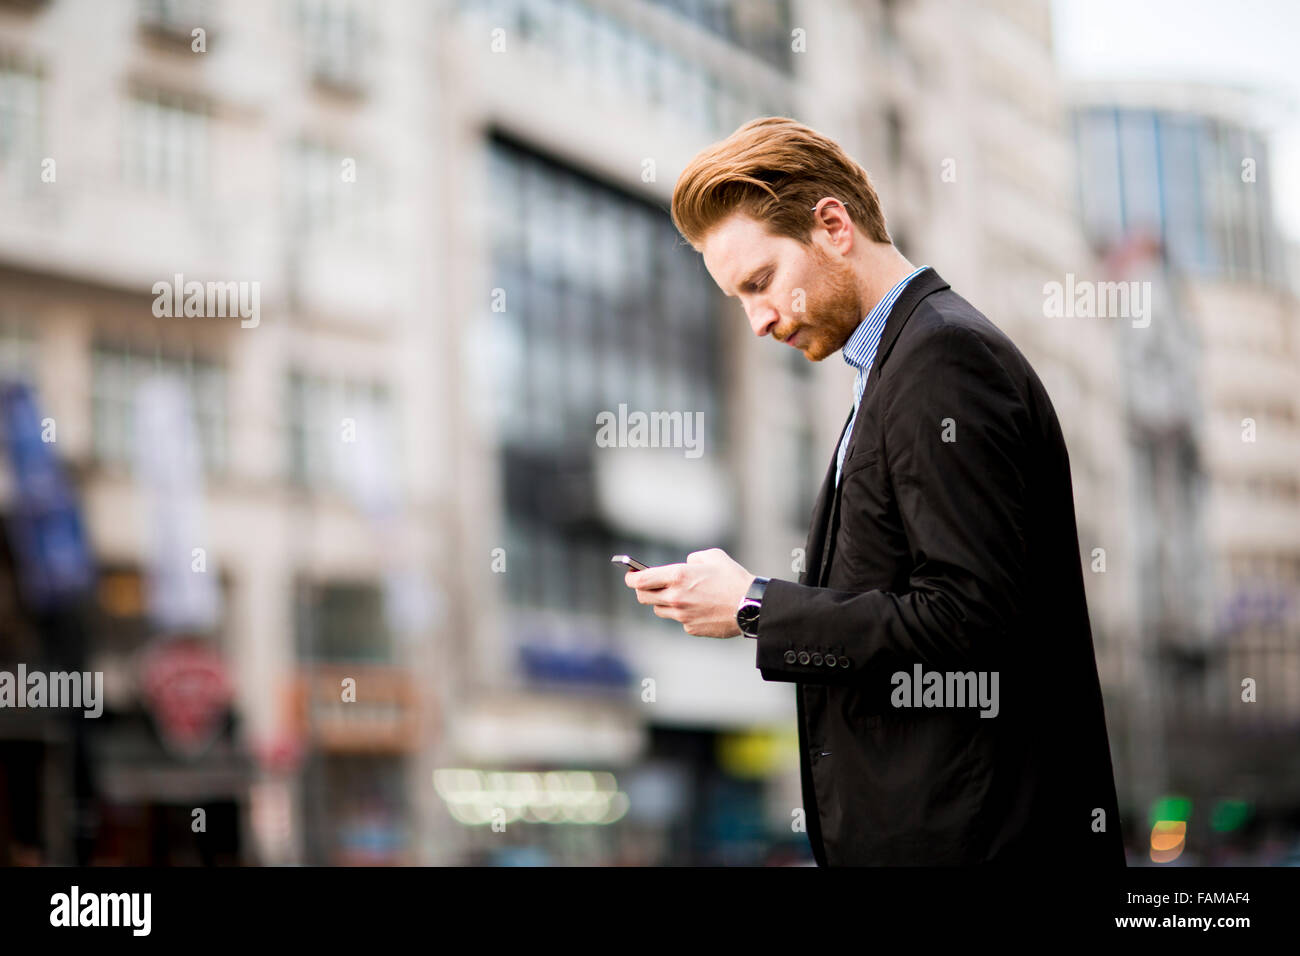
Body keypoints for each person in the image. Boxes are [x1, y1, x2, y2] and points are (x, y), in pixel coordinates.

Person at [624, 116, 1125, 866]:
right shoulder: (895, 367)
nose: (758, 320)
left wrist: (756, 605)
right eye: (739, 298)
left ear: (833, 225)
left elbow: (969, 622)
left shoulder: (943, 360)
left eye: (761, 282)